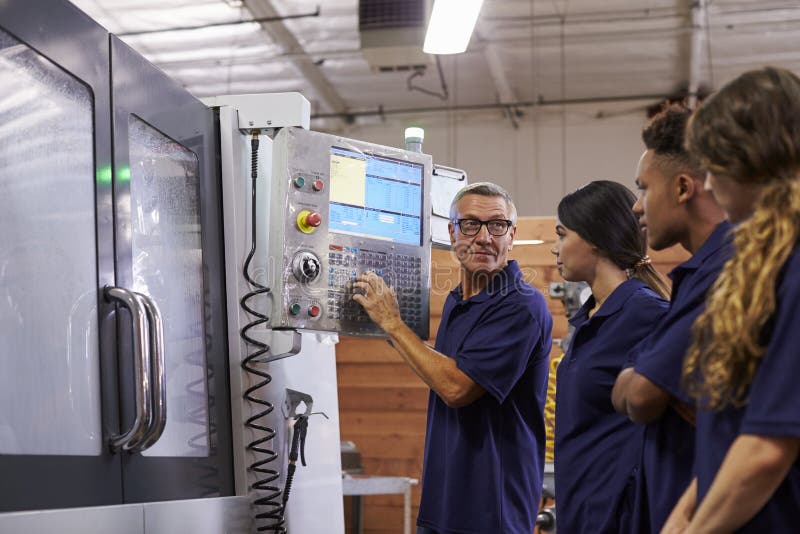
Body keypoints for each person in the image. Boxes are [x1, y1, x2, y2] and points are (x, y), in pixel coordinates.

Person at [353, 182, 553, 534]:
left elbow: (456, 387)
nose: (484, 237)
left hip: (491, 513)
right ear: (452, 231)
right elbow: (445, 369)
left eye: (497, 225)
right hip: (444, 505)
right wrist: (389, 329)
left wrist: (393, 324)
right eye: (471, 224)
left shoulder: (521, 306)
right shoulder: (458, 301)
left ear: (512, 235)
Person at [661, 66, 800, 533]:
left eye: (715, 165)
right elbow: (730, 437)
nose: (711, 183)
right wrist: (682, 520)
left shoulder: (794, 267)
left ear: (752, 160)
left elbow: (768, 448)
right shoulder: (756, 263)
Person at [610, 104, 730, 532]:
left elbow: (639, 397)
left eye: (644, 190)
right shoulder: (695, 275)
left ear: (683, 188)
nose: (638, 208)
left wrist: (643, 380)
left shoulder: (723, 271)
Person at [552, 180, 670, 533]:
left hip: (618, 514)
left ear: (594, 239)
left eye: (562, 235)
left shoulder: (645, 313)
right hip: (580, 507)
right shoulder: (588, 318)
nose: (555, 249)